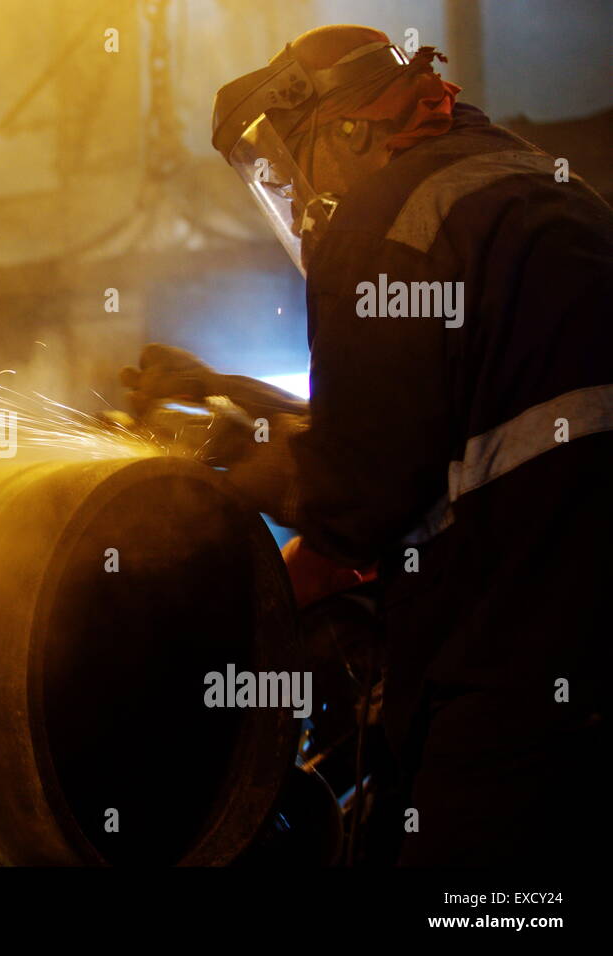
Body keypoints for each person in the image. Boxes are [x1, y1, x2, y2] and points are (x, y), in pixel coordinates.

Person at [123, 24, 613, 865]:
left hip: (512, 680)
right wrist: (235, 395)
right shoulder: (541, 191)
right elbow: (421, 427)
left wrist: (221, 467)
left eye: (295, 161)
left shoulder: (380, 223)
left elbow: (357, 504)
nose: (297, 190)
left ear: (350, 131)